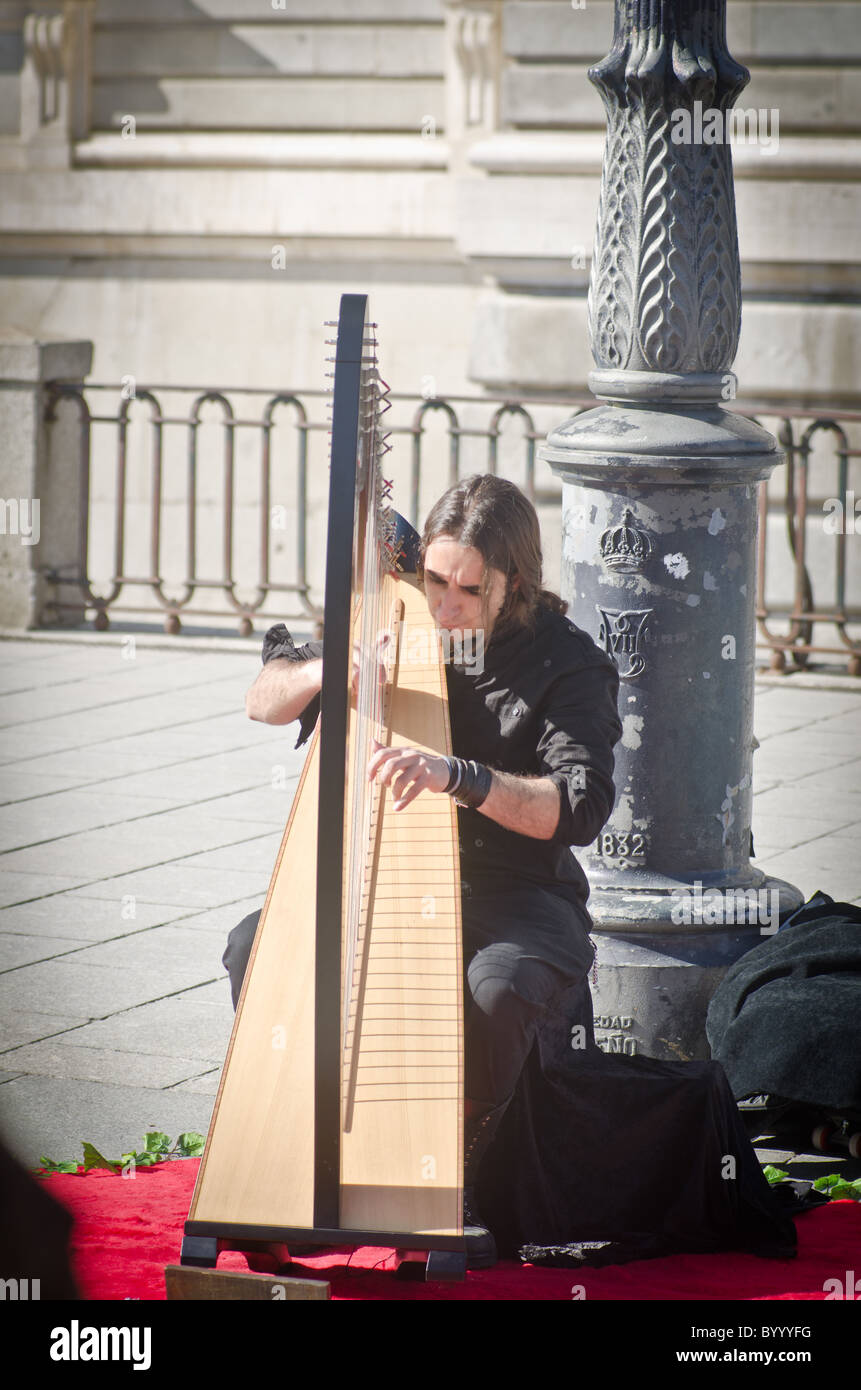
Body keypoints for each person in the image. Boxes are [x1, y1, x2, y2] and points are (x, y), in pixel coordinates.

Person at [224, 474, 797, 1271]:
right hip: (386, 873)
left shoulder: (567, 663)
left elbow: (578, 806)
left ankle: (447, 1181)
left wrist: (458, 776)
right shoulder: (390, 615)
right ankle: (295, 1160)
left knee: (492, 990)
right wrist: (334, 671)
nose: (446, 606)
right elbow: (263, 697)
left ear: (513, 585)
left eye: (469, 590)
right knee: (254, 945)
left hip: (517, 891)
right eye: (435, 581)